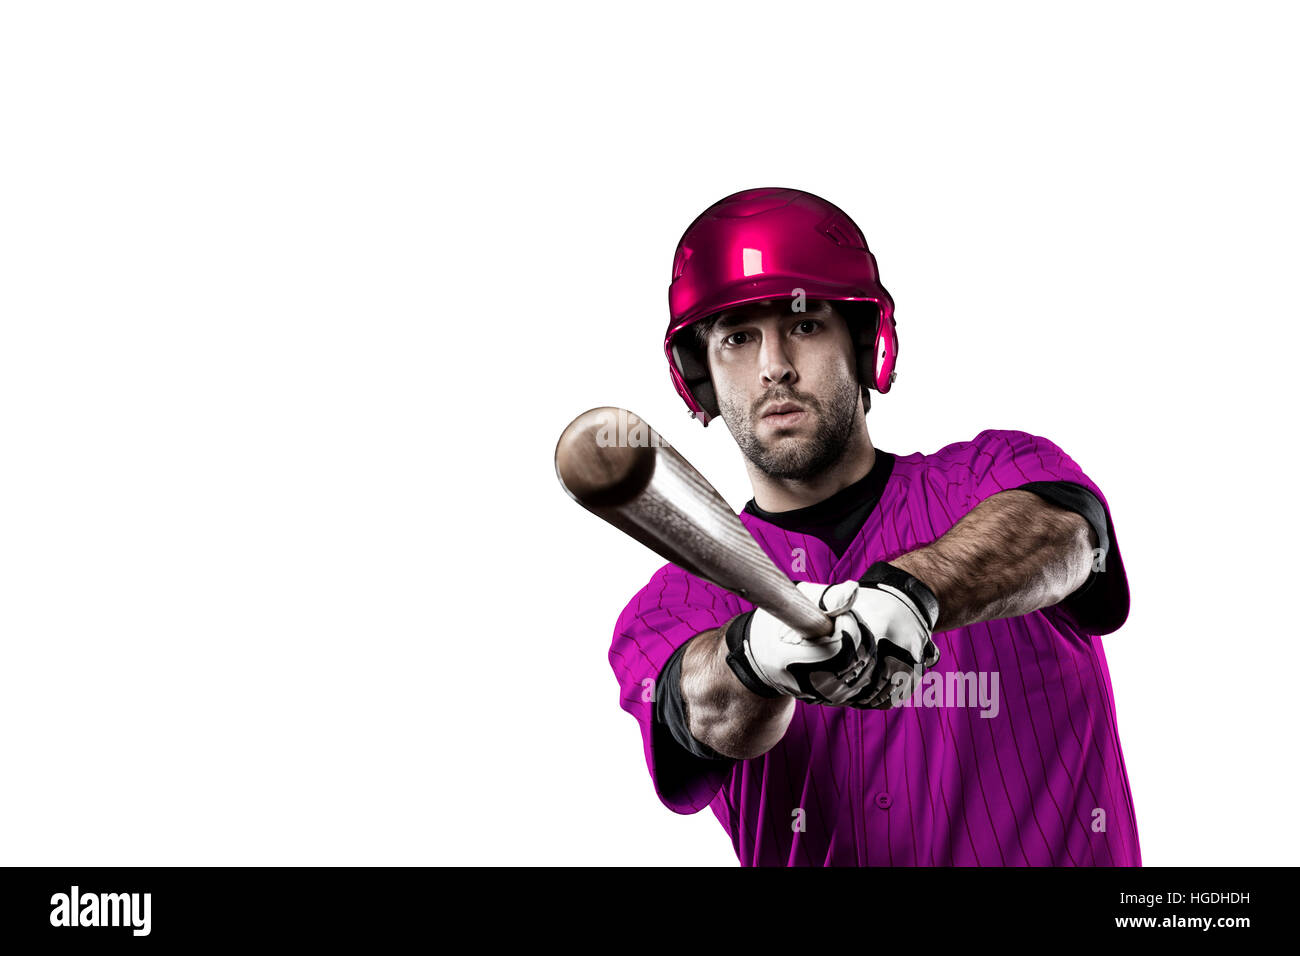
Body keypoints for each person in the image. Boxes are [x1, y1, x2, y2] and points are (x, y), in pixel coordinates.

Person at [608, 187, 1139, 866]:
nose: (774, 365)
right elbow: (703, 709)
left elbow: (1060, 537)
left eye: (804, 325)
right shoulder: (674, 602)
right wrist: (756, 656)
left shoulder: (996, 471)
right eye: (738, 337)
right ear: (701, 376)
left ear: (863, 344)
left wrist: (911, 592)